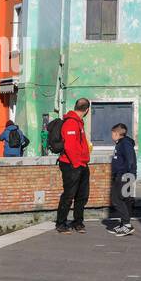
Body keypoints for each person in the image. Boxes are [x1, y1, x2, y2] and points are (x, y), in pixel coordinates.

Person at [55, 98, 92, 234]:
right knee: (69, 195)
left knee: (82, 195)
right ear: (87, 110)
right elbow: (70, 146)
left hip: (81, 164)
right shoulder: (71, 122)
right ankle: (61, 223)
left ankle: (78, 222)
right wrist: (77, 164)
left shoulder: (78, 122)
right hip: (71, 164)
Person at [109, 122, 136, 237]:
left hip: (124, 176)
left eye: (112, 133)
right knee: (124, 199)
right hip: (122, 175)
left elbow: (130, 161)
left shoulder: (125, 144)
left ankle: (127, 225)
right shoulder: (120, 143)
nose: (111, 135)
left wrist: (127, 176)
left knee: (116, 199)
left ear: (117, 133)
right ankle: (124, 224)